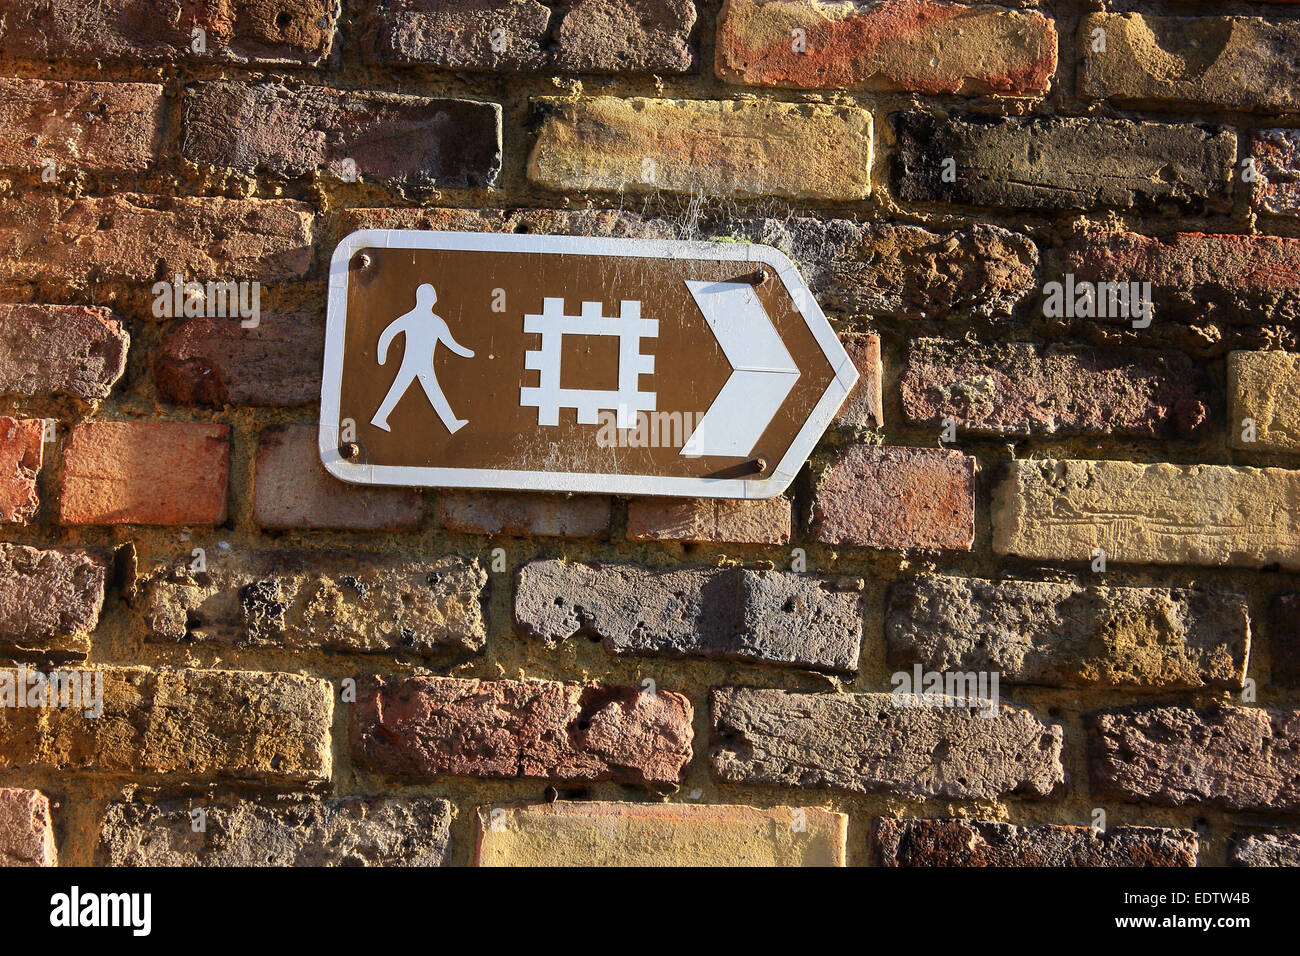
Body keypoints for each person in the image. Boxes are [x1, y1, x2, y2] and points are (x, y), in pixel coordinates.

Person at [371, 283, 475, 434]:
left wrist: (468, 353)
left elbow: (388, 334)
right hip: (415, 364)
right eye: (432, 296)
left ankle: (451, 423)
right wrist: (381, 357)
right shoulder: (432, 321)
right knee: (417, 391)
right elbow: (388, 333)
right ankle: (451, 423)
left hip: (420, 364)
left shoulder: (424, 320)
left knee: (413, 390)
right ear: (430, 299)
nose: (434, 299)